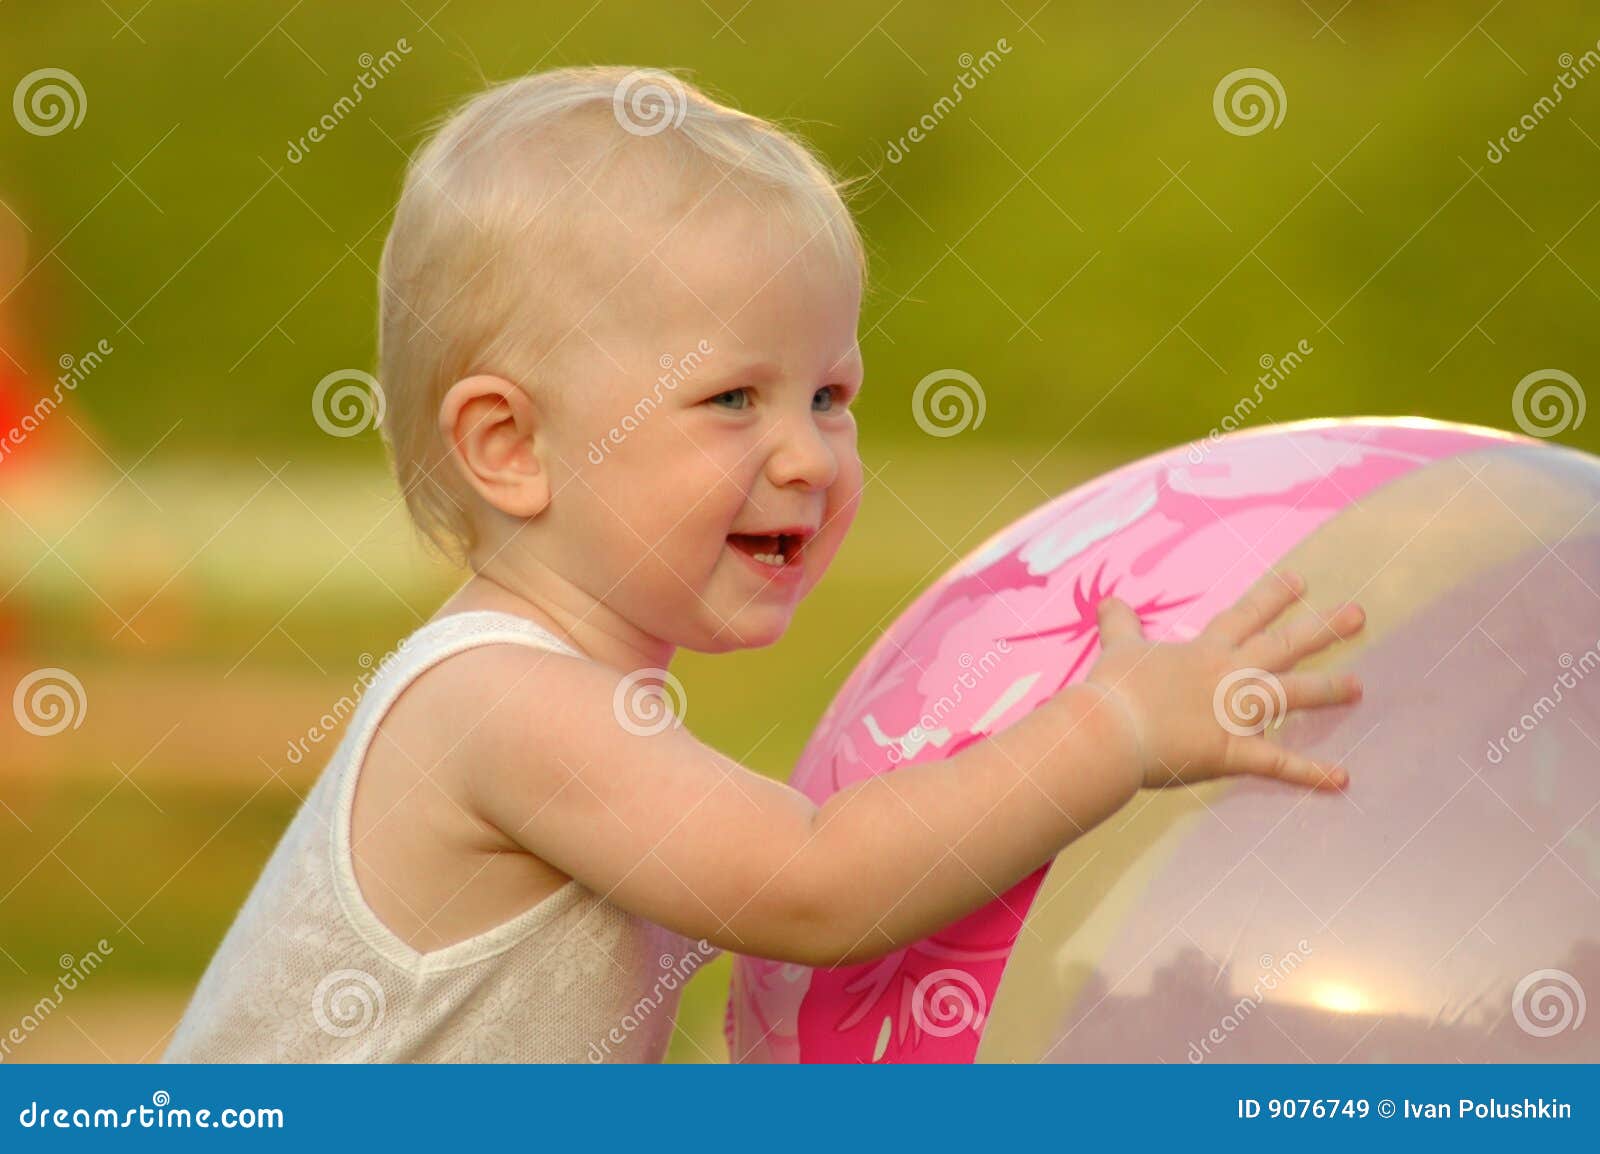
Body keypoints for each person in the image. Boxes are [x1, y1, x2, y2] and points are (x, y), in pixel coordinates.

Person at [163, 66, 1364, 1063]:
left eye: (830, 393)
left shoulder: (557, 693)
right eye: (732, 396)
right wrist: (1117, 728)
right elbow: (815, 888)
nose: (808, 453)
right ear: (511, 445)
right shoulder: (502, 703)